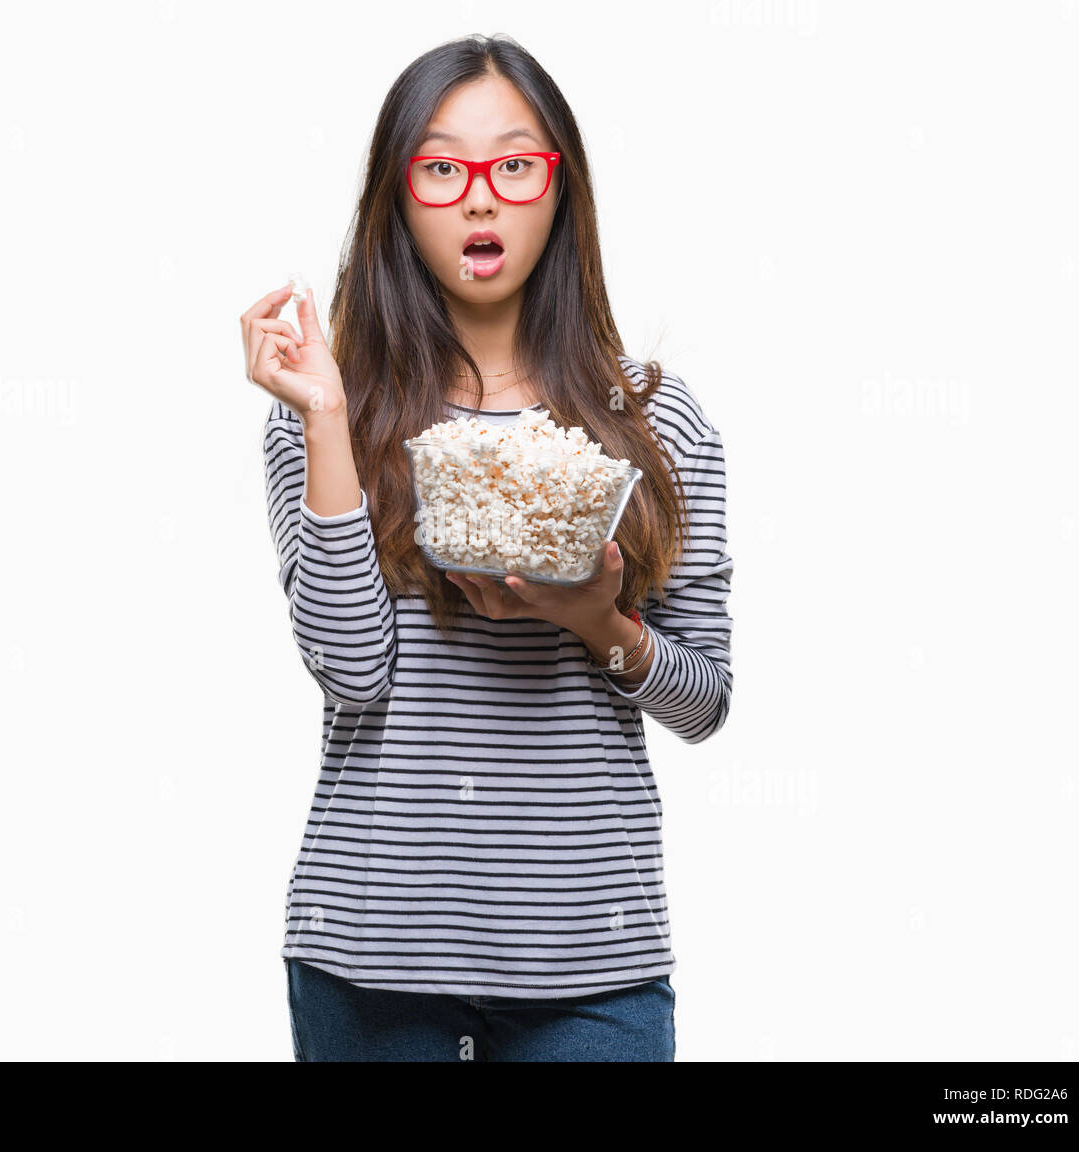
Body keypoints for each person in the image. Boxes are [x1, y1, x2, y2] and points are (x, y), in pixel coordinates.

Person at [240, 34, 733, 1062]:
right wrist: (328, 419)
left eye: (514, 163)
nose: (479, 196)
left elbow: (705, 700)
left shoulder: (655, 419)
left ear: (559, 188)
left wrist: (601, 627)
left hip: (591, 963)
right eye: (439, 166)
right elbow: (349, 670)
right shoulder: (323, 413)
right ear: (397, 197)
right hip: (372, 956)